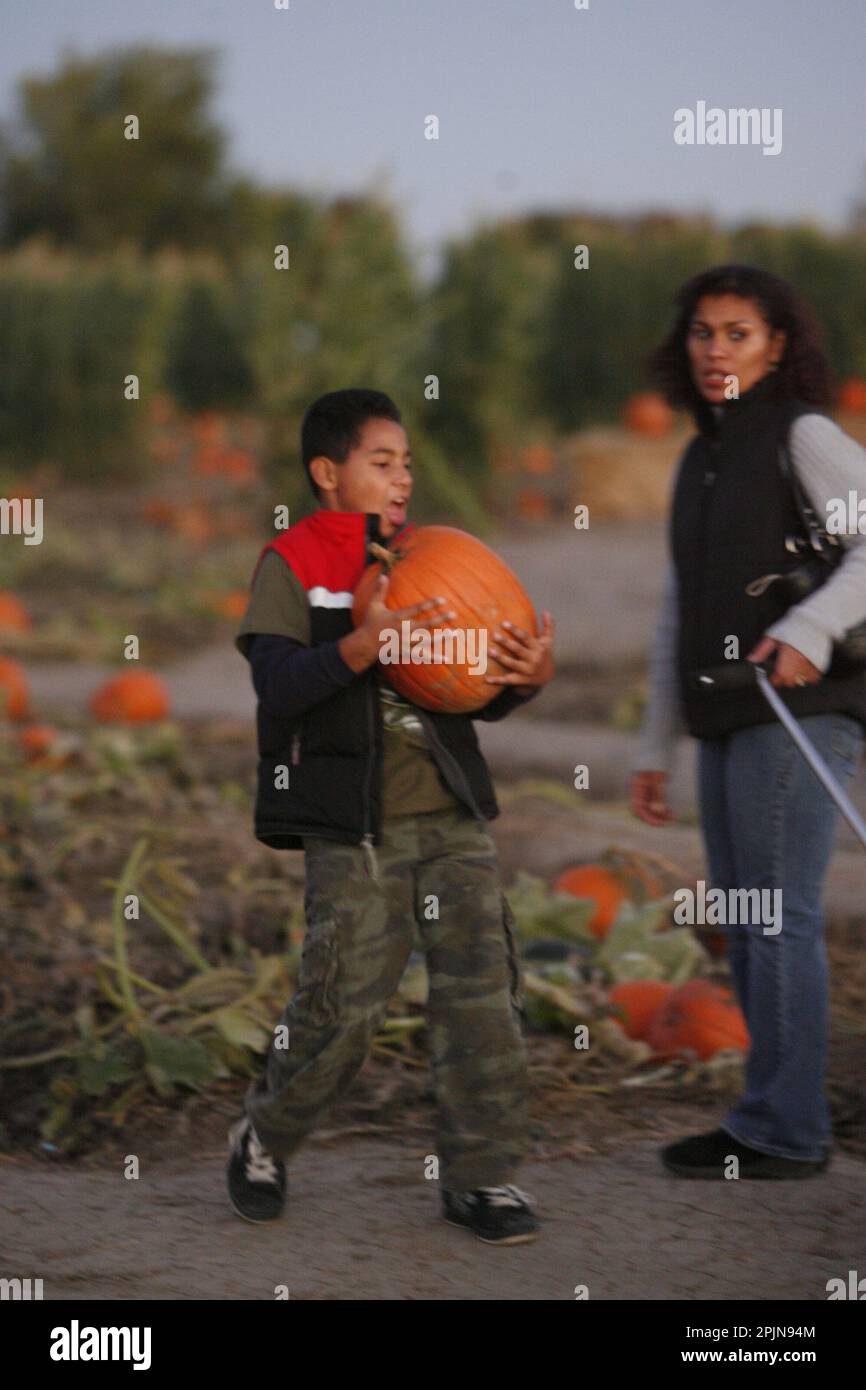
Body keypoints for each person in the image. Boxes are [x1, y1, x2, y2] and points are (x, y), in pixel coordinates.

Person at [227, 388, 555, 1241]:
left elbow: (466, 695)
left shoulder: (434, 556)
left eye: (407, 462)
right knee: (343, 1005)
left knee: (483, 991)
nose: (403, 476)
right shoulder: (292, 564)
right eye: (383, 461)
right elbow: (277, 686)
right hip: (353, 827)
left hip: (450, 816)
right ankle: (266, 1135)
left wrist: (523, 680)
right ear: (327, 473)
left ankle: (481, 1177)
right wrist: (357, 646)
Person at [630, 265, 866, 1179]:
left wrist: (807, 627)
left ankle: (786, 1129)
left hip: (801, 706)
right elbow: (675, 610)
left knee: (779, 916)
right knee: (744, 913)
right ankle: (769, 1114)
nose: (716, 349)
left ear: (776, 345)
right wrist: (655, 746)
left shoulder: (801, 436)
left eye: (737, 332)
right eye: (702, 332)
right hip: (727, 709)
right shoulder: (701, 455)